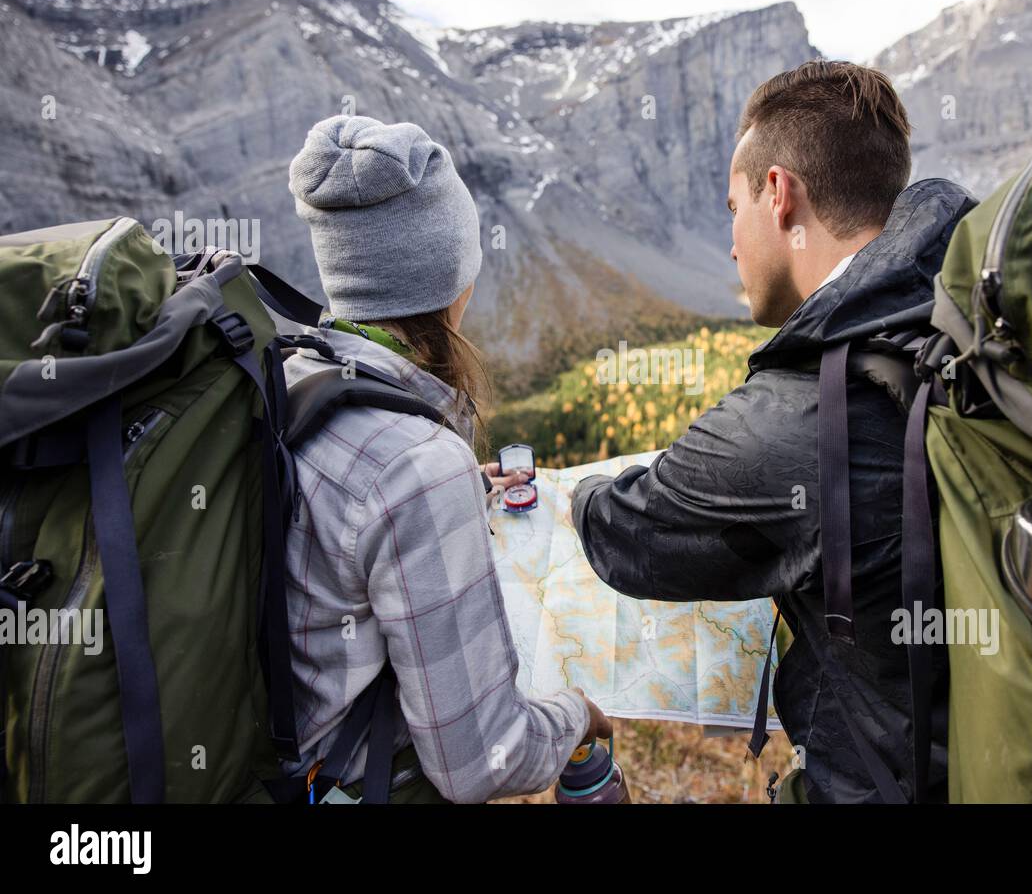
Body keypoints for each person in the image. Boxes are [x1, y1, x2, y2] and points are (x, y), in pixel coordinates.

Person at [571, 61, 976, 803]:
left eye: (733, 208)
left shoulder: (797, 414)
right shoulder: (964, 320)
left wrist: (567, 491)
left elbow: (623, 531)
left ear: (779, 195)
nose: (730, 243)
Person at [281, 114, 610, 803]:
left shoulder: (290, 380)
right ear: (450, 277)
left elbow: (341, 534)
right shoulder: (416, 465)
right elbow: (484, 761)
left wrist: (464, 492)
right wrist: (578, 711)